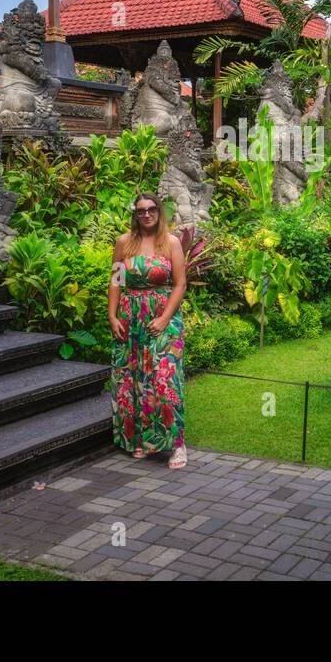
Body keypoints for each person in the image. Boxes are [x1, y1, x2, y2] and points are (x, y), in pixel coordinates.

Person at [107, 193, 188, 469]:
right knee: (135, 380)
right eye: (141, 211)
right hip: (131, 318)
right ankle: (141, 440)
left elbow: (180, 284)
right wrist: (112, 315)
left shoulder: (171, 243)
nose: (147, 214)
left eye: (152, 209)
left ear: (159, 212)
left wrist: (165, 318)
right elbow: (117, 280)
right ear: (135, 214)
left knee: (165, 379)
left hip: (164, 317)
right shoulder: (123, 243)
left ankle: (177, 444)